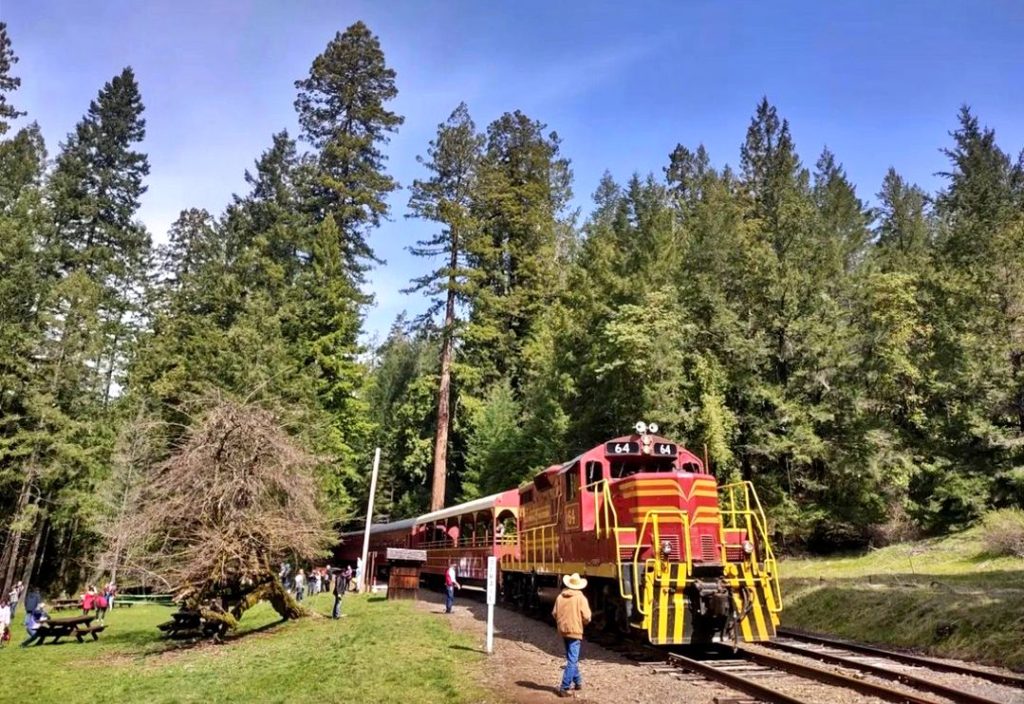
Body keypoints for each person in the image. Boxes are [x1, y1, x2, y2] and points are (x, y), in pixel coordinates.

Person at [552, 573, 592, 698]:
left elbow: (554, 613)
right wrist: (583, 622)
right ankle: (564, 687)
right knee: (572, 660)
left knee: (571, 658)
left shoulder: (560, 597)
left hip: (563, 631)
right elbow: (587, 617)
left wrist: (562, 622)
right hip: (575, 631)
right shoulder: (581, 598)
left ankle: (578, 682)